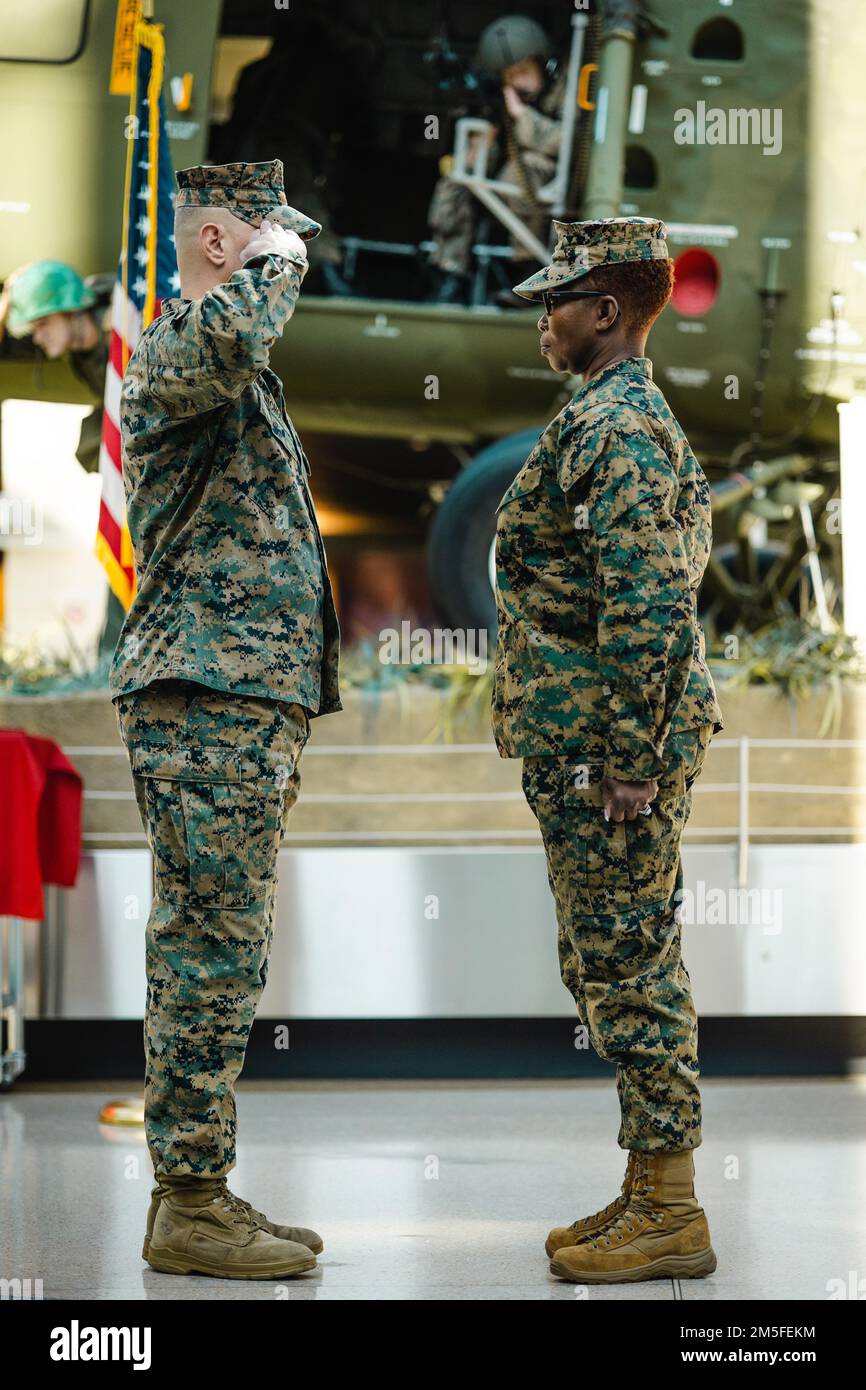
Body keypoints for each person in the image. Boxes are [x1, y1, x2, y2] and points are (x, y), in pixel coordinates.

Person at [109, 159, 341, 1280]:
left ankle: (199, 1187)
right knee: (207, 948)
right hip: (204, 695)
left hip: (235, 698)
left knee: (223, 947)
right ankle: (188, 1201)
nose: (288, 258)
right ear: (219, 244)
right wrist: (275, 262)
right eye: (266, 239)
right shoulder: (180, 352)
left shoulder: (220, 368)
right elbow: (240, 330)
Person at [492, 217, 725, 1284]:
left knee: (627, 970)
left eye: (554, 300)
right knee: (604, 965)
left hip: (608, 754)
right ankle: (645, 1187)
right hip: (589, 744)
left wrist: (629, 757)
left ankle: (670, 1209)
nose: (541, 319)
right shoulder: (602, 417)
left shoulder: (616, 428)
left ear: (603, 310)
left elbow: (643, 606)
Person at [0, 260, 125, 657]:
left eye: (41, 324)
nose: (36, 337)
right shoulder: (68, 338)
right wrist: (10, 295)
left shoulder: (124, 329)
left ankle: (113, 655)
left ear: (70, 311)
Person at [427, 14, 563, 304]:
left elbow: (562, 141)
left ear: (543, 65)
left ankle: (529, 275)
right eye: (509, 76)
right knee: (457, 180)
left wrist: (522, 116)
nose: (517, 82)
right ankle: (450, 273)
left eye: (524, 71)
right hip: (507, 189)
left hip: (547, 182)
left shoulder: (564, 93)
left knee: (519, 171)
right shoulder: (503, 101)